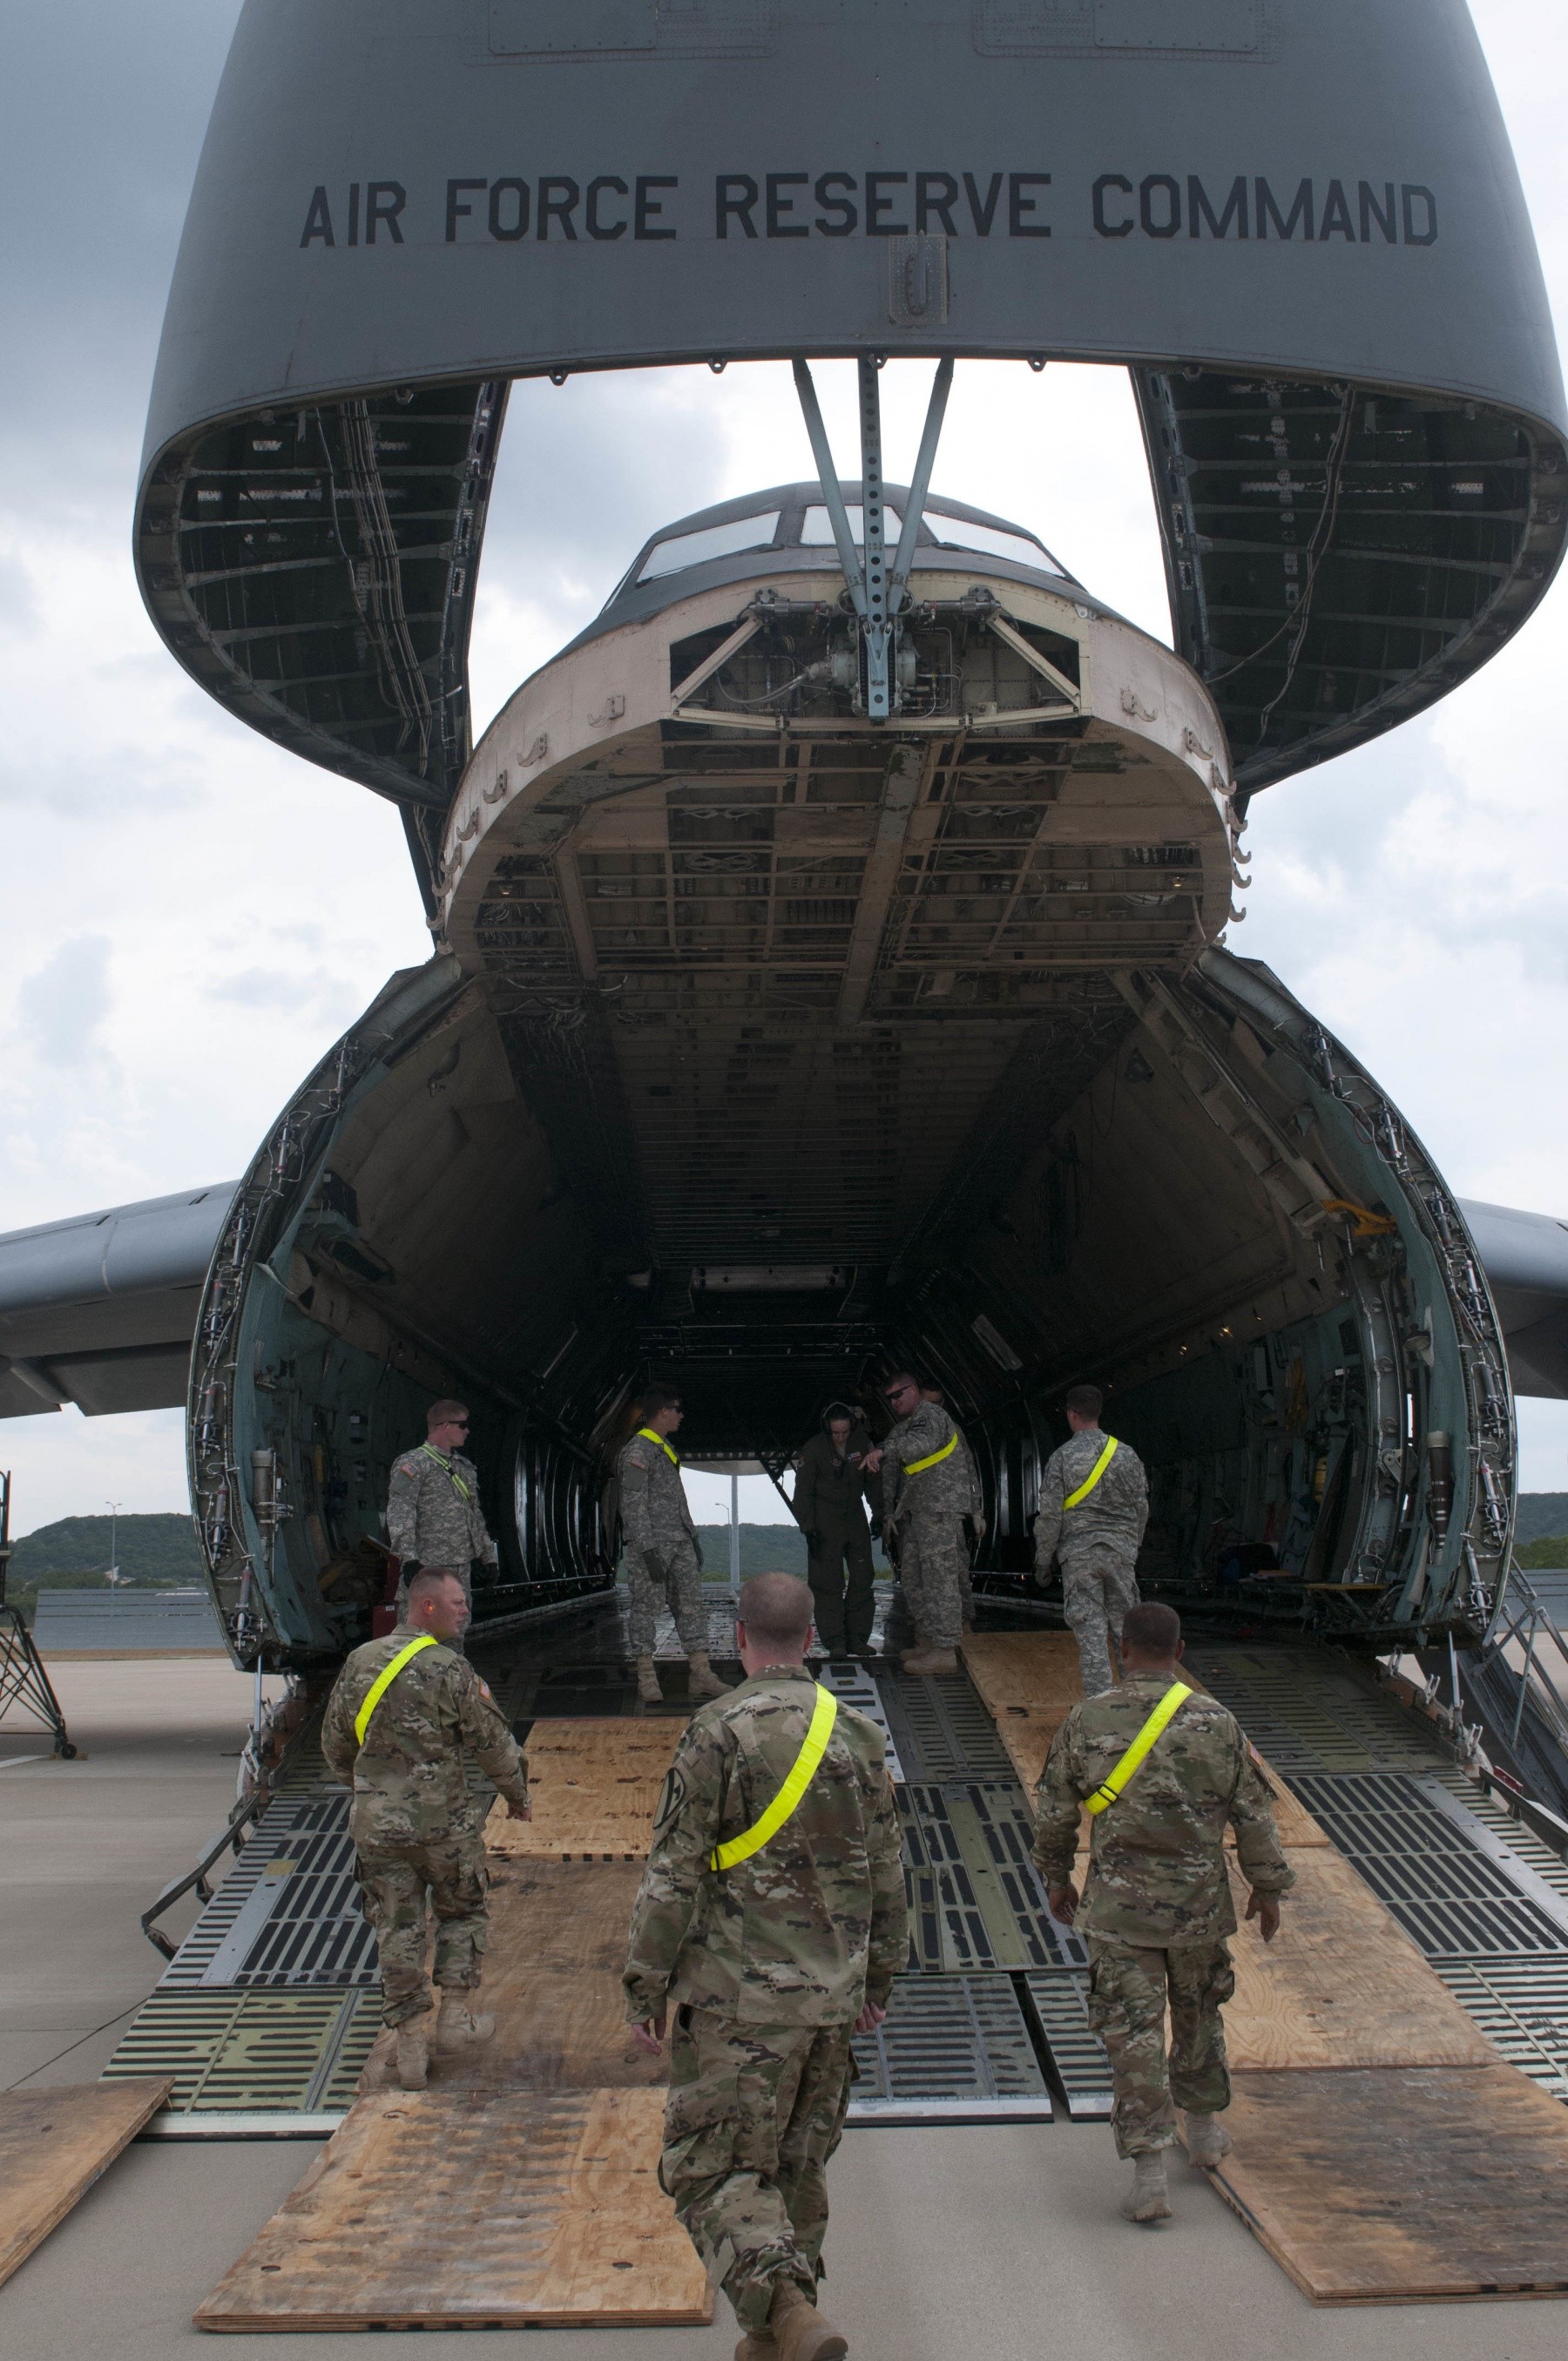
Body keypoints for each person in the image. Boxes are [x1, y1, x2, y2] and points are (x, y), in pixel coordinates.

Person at [624, 1572, 907, 2361]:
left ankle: (781, 2303)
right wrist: (877, 1979)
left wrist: (645, 1982)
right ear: (810, 1640)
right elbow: (888, 1870)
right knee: (795, 2172)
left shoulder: (716, 1732)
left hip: (737, 2000)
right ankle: (777, 2334)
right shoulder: (858, 1735)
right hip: (829, 2002)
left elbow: (674, 1875)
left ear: (737, 1638)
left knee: (707, 2169)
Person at [1032, 1600, 1294, 2224]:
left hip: (1119, 1913)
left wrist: (1055, 1879)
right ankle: (1202, 2134)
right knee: (1200, 2015)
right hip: (1199, 1908)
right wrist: (1267, 1887)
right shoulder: (1219, 1723)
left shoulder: (1087, 1719)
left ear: (1123, 1648)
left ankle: (1149, 2172)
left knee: (1133, 2035)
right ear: (1180, 1652)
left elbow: (1054, 1812)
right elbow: (1254, 1814)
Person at [321, 1566, 532, 2093]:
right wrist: (516, 1795)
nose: (465, 1610)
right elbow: (492, 1742)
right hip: (445, 1827)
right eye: (457, 1602)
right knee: (461, 1912)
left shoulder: (360, 1663)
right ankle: (455, 2020)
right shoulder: (450, 1670)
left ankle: (410, 2045)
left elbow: (336, 1746)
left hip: (379, 1829)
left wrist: (371, 1789)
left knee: (397, 1927)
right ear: (428, 1607)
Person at [1033, 1382, 1149, 1698]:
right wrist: (1131, 1549)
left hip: (1080, 1558)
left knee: (1092, 1636)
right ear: (1098, 1413)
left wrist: (1043, 1561)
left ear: (1072, 1414)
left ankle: (1100, 1709)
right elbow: (1141, 1508)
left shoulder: (1062, 1458)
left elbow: (1050, 1517)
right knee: (1127, 1633)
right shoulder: (1127, 1455)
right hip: (1120, 1555)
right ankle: (1136, 1702)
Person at [617, 1385, 728, 1705]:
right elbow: (632, 1502)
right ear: (662, 1412)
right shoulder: (638, 1452)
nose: (680, 1415)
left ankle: (701, 1674)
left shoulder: (664, 1448)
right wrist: (646, 1547)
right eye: (676, 1410)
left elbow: (676, 1501)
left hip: (679, 1541)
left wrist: (692, 1538)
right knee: (646, 1609)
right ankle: (646, 1676)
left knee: (692, 1607)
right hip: (653, 1544)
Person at [862, 1371, 970, 1676]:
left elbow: (919, 1445)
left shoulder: (930, 1417)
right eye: (890, 1398)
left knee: (940, 1581)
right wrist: (889, 1513)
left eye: (899, 1394)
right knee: (915, 1578)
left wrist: (883, 1450)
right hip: (917, 1512)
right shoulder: (905, 1427)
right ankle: (929, 1640)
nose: (894, 1402)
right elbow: (895, 1453)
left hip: (938, 1510)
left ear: (914, 1391)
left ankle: (945, 1650)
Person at [386, 1398, 499, 1619]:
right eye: (463, 1425)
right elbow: (400, 1511)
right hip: (427, 1568)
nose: (467, 1431)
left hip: (460, 1570)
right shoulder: (413, 1464)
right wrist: (408, 1558)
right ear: (446, 1426)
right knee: (419, 1633)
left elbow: (474, 1516)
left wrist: (489, 1557)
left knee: (455, 1634)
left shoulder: (463, 1468)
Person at [791, 1403, 876, 1660]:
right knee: (827, 1583)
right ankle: (835, 1641)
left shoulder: (862, 1443)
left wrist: (881, 1513)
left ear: (852, 1428)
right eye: (836, 1433)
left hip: (855, 1517)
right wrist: (808, 1528)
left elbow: (874, 1479)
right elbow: (803, 1491)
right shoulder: (814, 1448)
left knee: (863, 1577)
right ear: (828, 1430)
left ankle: (858, 1639)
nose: (841, 1437)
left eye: (845, 1432)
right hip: (824, 1522)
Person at [921, 1383, 982, 1633]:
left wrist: (976, 1511)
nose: (935, 1409)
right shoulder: (911, 1433)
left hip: (949, 1515)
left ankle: (963, 1624)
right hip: (923, 1516)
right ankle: (932, 1631)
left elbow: (969, 1470)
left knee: (956, 1573)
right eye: (930, 1404)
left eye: (939, 1404)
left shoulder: (952, 1432)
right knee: (927, 1578)